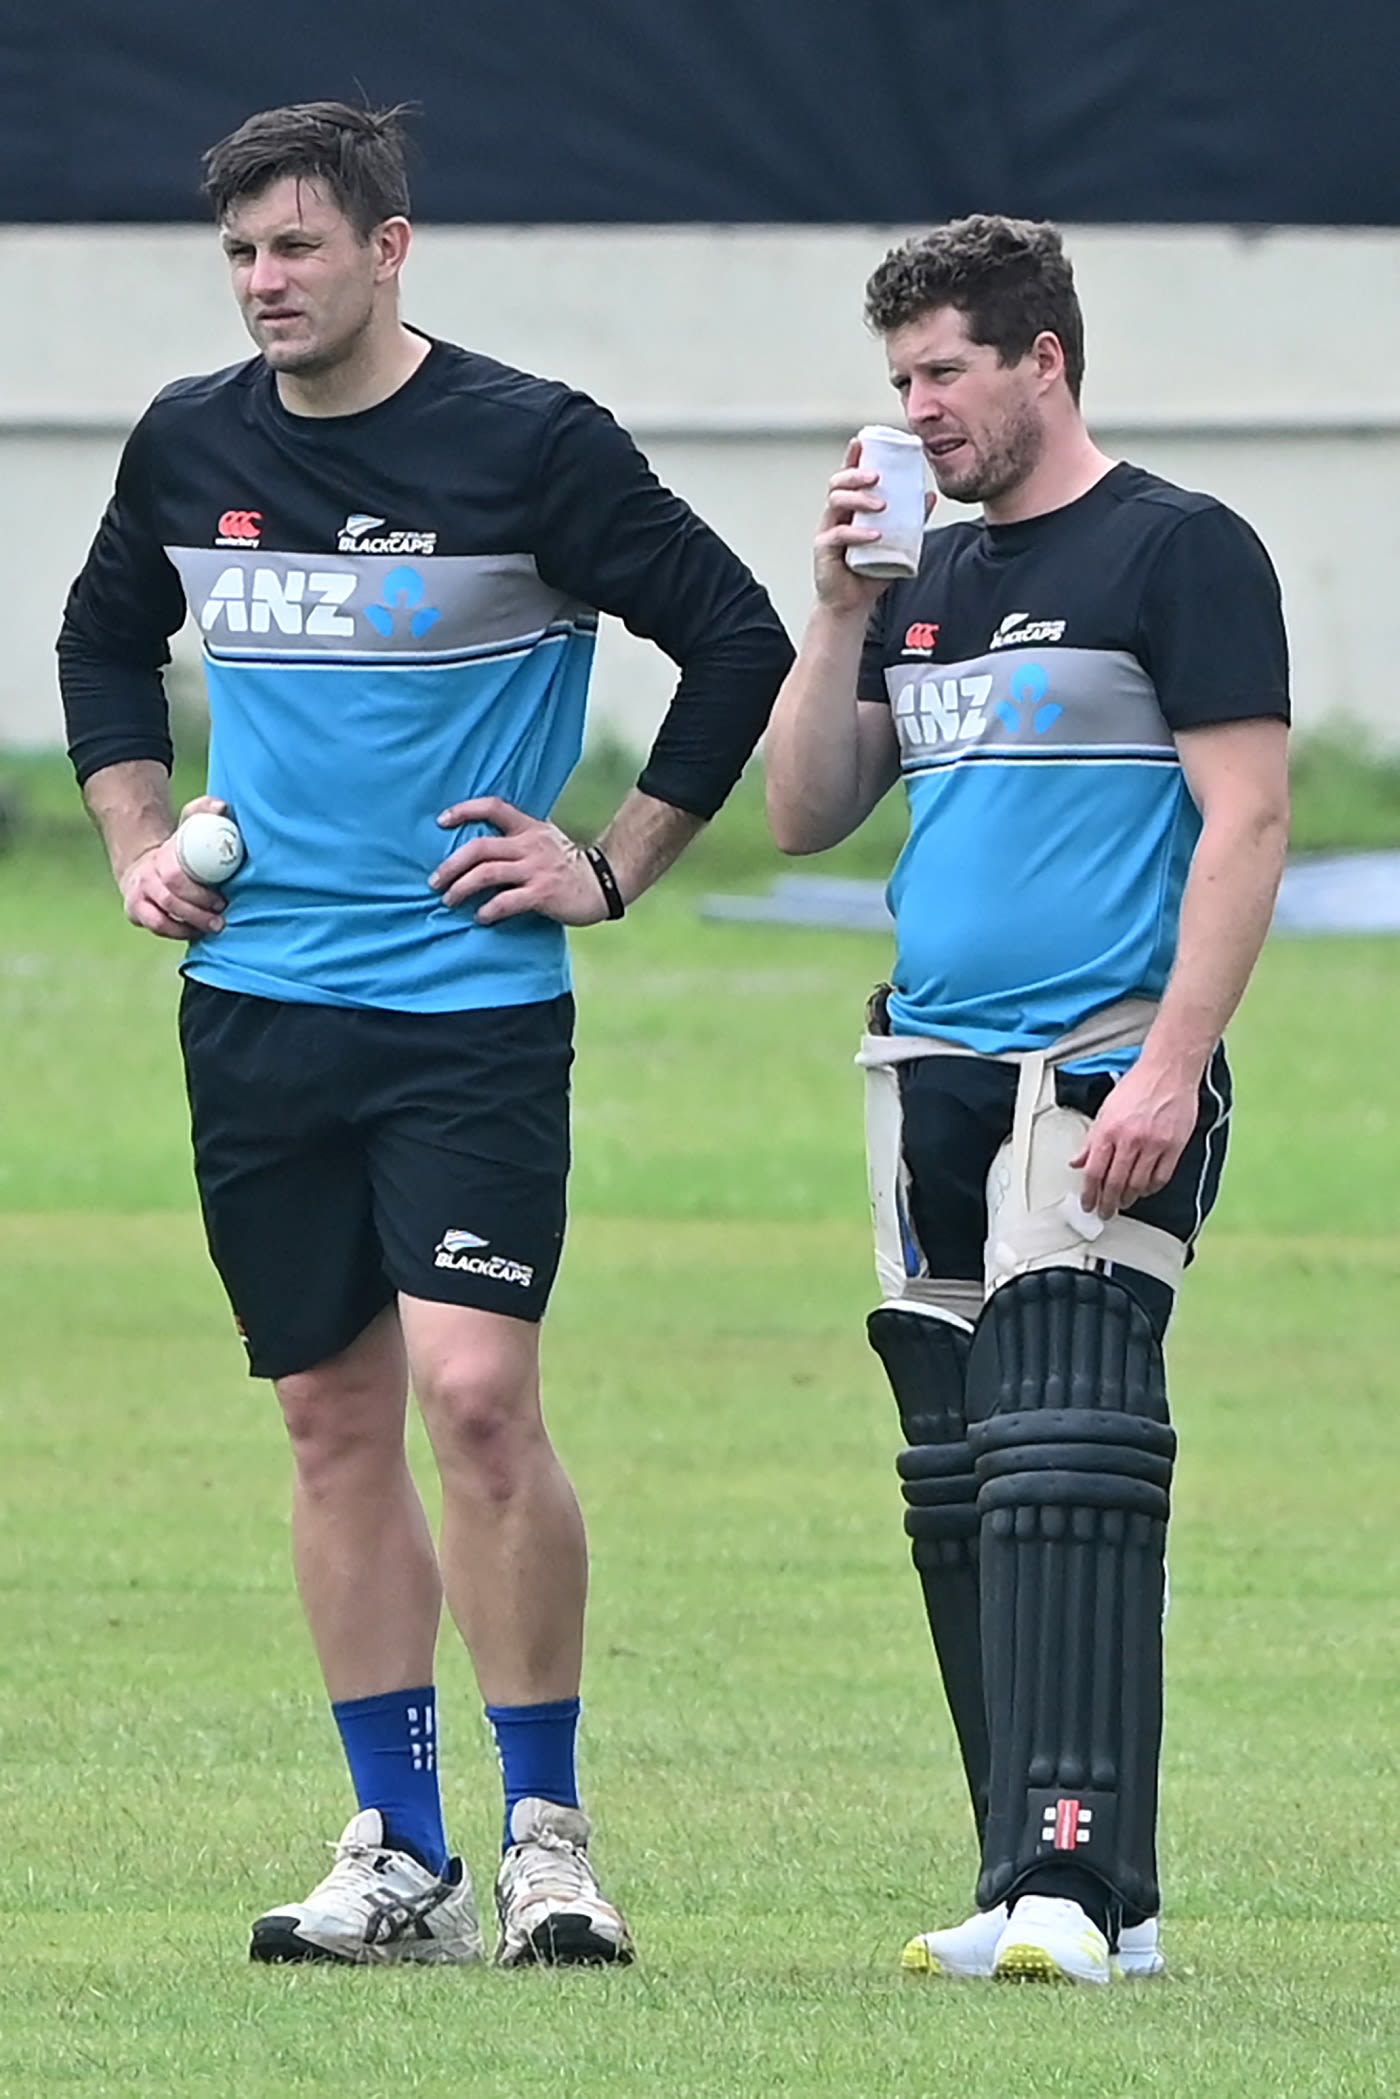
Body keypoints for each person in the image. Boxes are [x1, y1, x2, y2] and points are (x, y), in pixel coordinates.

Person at [58, 100, 792, 1970]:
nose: (264, 284)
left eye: (296, 247)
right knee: (327, 1420)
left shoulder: (528, 443)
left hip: (465, 1011)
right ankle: (400, 1851)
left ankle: (547, 1829)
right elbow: (100, 643)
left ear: (391, 249)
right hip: (256, 1011)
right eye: (239, 254)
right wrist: (143, 840)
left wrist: (611, 865)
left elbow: (734, 636)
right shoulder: (189, 441)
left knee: (476, 1398)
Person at [764, 215, 1289, 1985]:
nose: (915, 413)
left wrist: (1171, 1060)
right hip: (928, 1069)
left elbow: (1250, 824)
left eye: (943, 375)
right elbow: (805, 812)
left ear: (1041, 360)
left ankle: (1079, 1880)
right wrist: (839, 610)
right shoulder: (924, 578)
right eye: (898, 379)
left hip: (1099, 1063)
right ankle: (1036, 1888)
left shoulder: (1180, 549)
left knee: (1071, 1449)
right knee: (963, 1471)